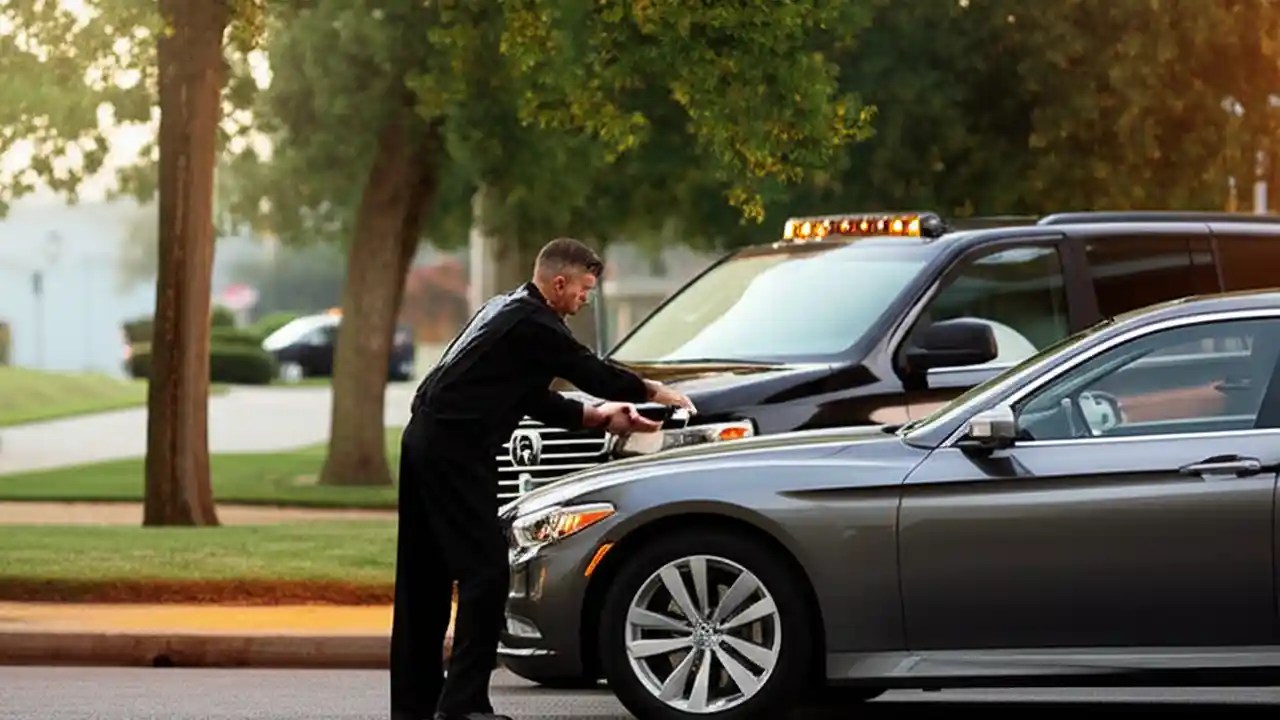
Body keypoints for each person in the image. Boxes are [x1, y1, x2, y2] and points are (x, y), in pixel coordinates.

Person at [390, 237, 695, 720]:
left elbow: (533, 397)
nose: (585, 298)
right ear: (558, 282)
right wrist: (656, 391)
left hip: (425, 441)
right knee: (486, 576)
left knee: (424, 580)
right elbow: (591, 372)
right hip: (455, 452)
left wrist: (602, 417)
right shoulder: (535, 324)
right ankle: (463, 707)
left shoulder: (504, 311)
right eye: (583, 289)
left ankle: (414, 707)